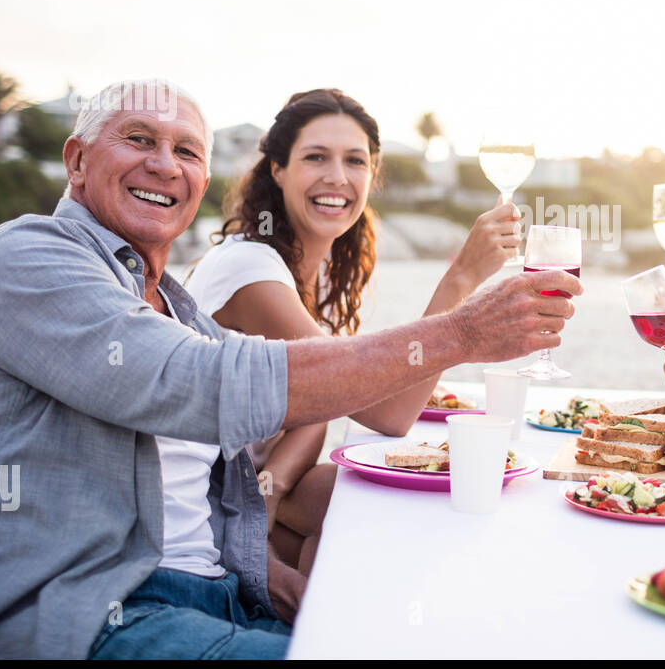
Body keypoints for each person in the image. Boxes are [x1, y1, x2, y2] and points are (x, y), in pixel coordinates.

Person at [0, 80, 580, 659]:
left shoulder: (172, 306)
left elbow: (210, 473)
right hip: (78, 618)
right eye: (139, 139)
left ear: (204, 179)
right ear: (77, 160)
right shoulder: (28, 257)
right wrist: (461, 331)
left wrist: (261, 572)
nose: (164, 164)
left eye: (186, 151)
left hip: (211, 593)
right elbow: (207, 384)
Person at [185, 88, 518, 576]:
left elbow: (317, 404)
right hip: (204, 505)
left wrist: (272, 487)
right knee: (378, 511)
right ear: (277, 169)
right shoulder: (250, 272)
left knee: (391, 496)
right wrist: (461, 279)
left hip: (249, 486)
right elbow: (389, 414)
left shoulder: (304, 270)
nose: (337, 177)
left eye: (355, 161)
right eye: (316, 157)